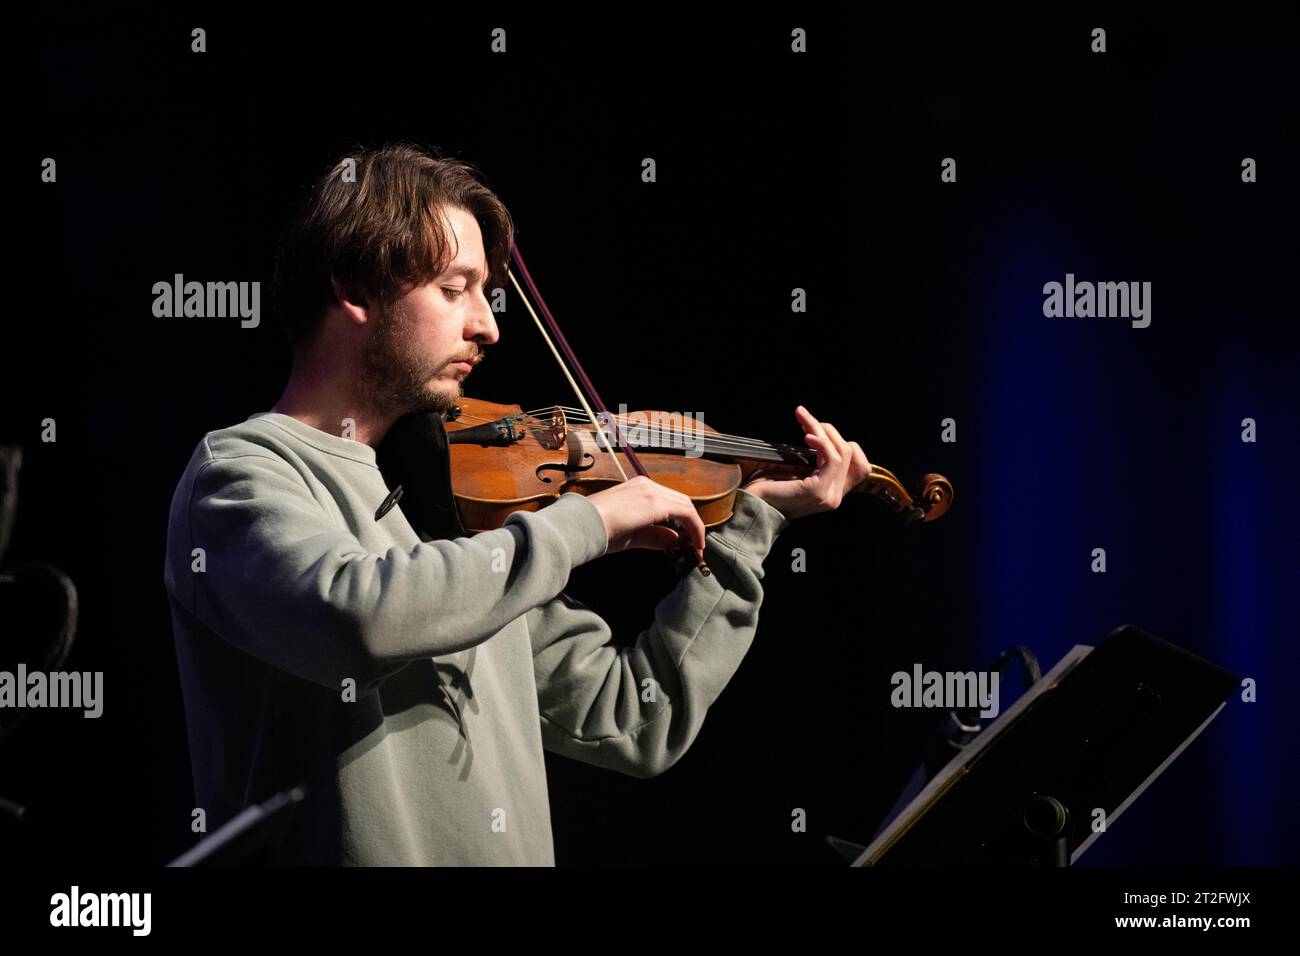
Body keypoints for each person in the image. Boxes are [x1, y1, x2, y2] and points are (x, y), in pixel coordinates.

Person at [163, 144, 872, 865]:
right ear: (355, 286)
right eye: (454, 288)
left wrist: (751, 527)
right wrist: (588, 523)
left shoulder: (451, 521)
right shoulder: (244, 473)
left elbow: (631, 719)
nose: (488, 325)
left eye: (486, 293)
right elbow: (358, 617)